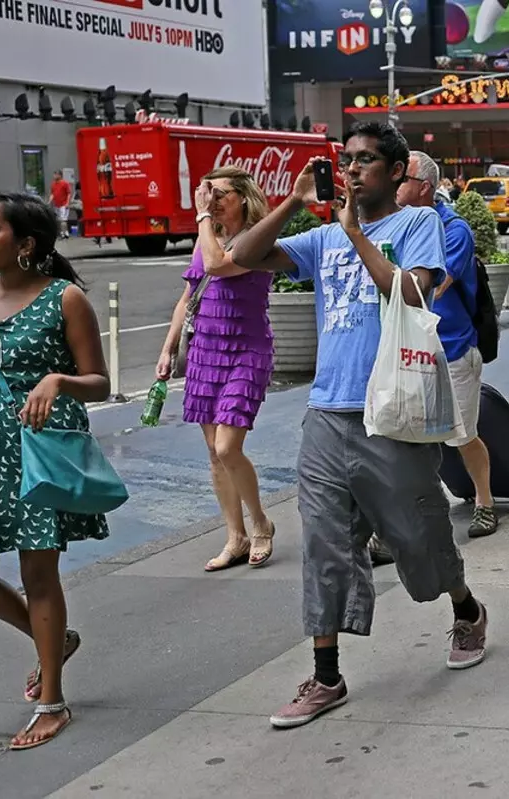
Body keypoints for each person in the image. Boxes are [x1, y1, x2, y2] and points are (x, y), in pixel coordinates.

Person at [223, 121, 490, 729]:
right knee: (323, 543)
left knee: (417, 535)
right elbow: (239, 257)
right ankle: (326, 674)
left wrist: (354, 234)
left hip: (392, 409)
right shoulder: (320, 238)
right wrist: (293, 200)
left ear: (397, 172)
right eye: (346, 160)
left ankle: (465, 607)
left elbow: (412, 295)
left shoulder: (416, 224)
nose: (351, 169)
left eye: (366, 160)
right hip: (327, 409)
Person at [0, 193, 111, 749]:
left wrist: (58, 381)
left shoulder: (64, 300)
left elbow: (100, 381)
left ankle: (52, 702)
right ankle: (52, 641)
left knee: (38, 577)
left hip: (37, 453)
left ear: (25, 246)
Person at [157, 167, 275, 571]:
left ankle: (260, 523)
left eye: (220, 193)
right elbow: (187, 296)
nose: (211, 201)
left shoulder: (255, 238)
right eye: (207, 193)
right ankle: (235, 536)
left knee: (228, 446)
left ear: (243, 197)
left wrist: (203, 217)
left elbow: (216, 265)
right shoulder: (207, 236)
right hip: (206, 350)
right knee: (213, 451)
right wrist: (168, 347)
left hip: (247, 349)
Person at [399, 150, 499, 538]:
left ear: (423, 187)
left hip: (453, 347)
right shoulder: (399, 223)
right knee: (409, 435)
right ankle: (412, 515)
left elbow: (435, 286)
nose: (395, 184)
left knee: (461, 434)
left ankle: (485, 503)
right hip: (412, 349)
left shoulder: (453, 229)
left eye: (402, 178)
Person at [49, 171, 72, 239]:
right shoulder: (53, 184)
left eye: (55, 175)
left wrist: (67, 203)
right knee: (59, 219)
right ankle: (65, 232)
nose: (54, 176)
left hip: (63, 204)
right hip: (57, 205)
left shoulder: (65, 183)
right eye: (54, 174)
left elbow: (68, 193)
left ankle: (63, 234)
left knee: (63, 219)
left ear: (60, 175)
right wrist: (49, 201)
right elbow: (52, 194)